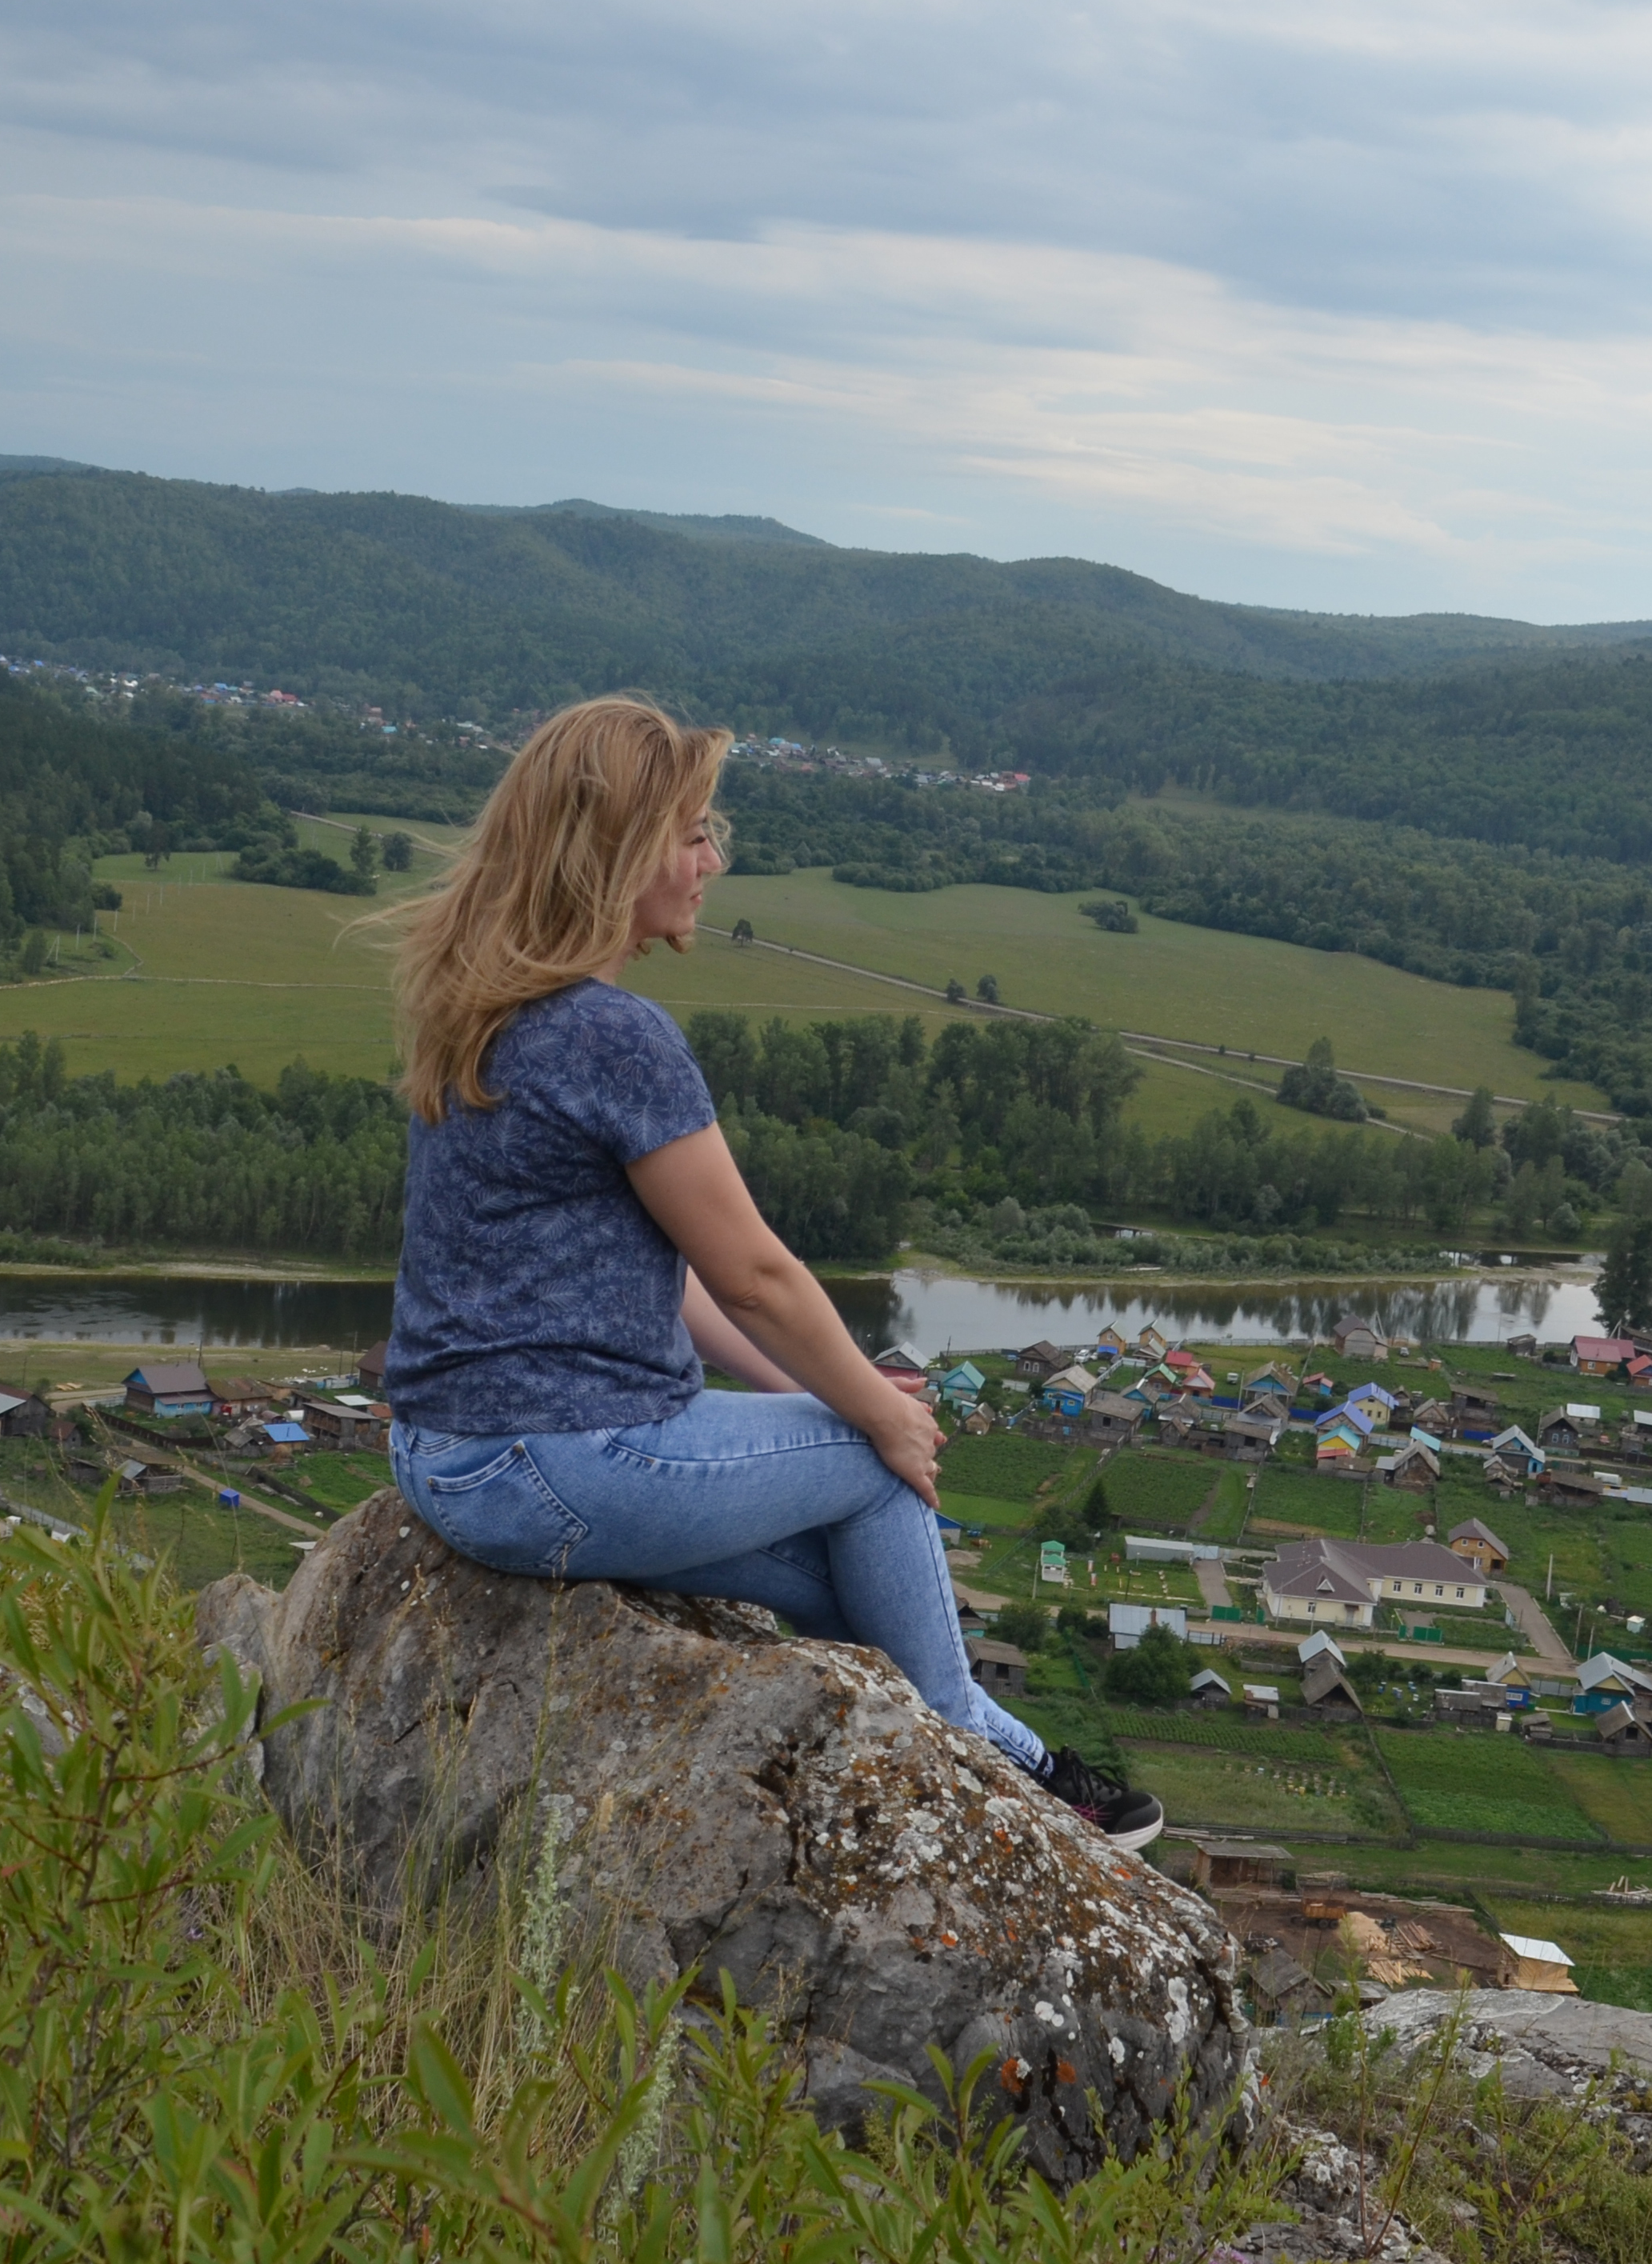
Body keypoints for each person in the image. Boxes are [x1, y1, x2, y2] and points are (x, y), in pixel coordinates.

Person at [377, 694, 1161, 1848]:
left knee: (854, 1572)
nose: (711, 861)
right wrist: (869, 1418)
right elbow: (754, 1274)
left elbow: (671, 1281)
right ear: (615, 852)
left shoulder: (478, 1003)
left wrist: (829, 1389)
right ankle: (989, 1749)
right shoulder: (613, 1034)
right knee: (871, 1463)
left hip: (449, 1461)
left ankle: (1009, 1752)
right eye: (693, 832)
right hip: (555, 1461)